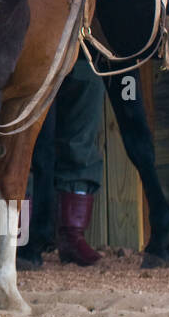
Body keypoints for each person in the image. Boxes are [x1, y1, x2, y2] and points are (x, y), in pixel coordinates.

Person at [18, 54, 105, 268]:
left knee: (82, 133)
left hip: (83, 43)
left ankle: (72, 235)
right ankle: (19, 235)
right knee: (25, 139)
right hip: (34, 45)